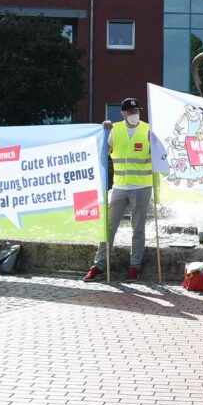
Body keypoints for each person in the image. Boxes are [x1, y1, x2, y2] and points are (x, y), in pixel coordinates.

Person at [85, 97, 154, 282]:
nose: (134, 114)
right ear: (123, 113)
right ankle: (99, 266)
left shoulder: (148, 130)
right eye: (130, 112)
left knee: (138, 229)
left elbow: (159, 156)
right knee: (108, 227)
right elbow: (102, 152)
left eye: (136, 111)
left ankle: (134, 267)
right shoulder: (114, 130)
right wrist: (102, 131)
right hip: (119, 187)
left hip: (142, 187)